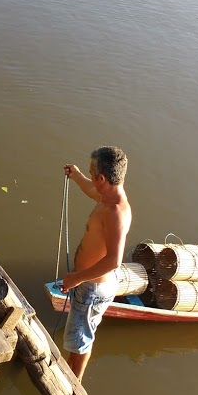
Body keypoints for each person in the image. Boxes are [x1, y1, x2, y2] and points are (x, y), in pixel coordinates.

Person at [62, 146, 132, 382]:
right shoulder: (108, 195)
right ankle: (72, 371)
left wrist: (76, 278)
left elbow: (114, 260)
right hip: (88, 284)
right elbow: (92, 190)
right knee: (78, 336)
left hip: (92, 289)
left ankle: (74, 385)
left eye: (92, 173)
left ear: (102, 178)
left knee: (81, 340)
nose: (91, 177)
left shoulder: (114, 212)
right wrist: (77, 175)